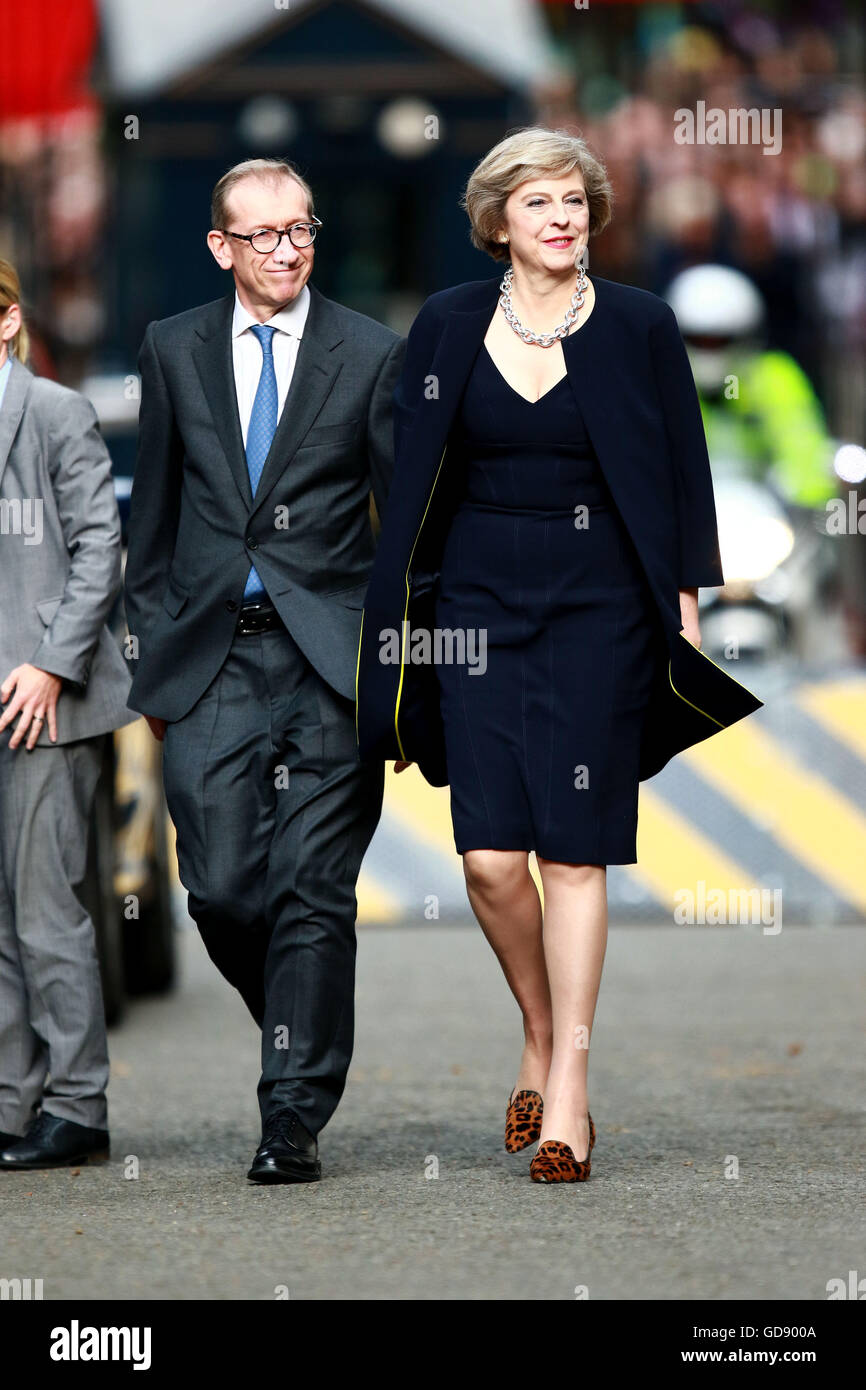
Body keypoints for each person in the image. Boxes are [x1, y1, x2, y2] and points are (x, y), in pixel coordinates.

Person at [356, 128, 763, 1184]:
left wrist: (680, 613)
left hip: (602, 610)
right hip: (476, 609)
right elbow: (406, 491)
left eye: (574, 201)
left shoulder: (638, 326)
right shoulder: (445, 324)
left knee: (572, 851)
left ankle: (568, 1096)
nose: (560, 217)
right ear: (497, 221)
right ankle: (537, 1029)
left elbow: (680, 475)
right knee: (490, 859)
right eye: (537, 202)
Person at [123, 158, 404, 1184]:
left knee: (312, 893)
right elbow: (148, 516)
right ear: (220, 246)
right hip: (207, 664)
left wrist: (405, 667)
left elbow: (402, 526)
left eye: (301, 230)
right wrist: (146, 655)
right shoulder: (172, 348)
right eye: (262, 234)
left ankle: (291, 1114)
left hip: (328, 662)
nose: (285, 250)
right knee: (226, 891)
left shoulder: (369, 355)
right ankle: (299, 1007)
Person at [0, 257, 137, 1171]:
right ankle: (12, 1104)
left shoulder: (53, 412)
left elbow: (100, 549)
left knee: (47, 911)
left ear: (6, 320)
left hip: (44, 700)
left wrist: (50, 665)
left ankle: (78, 1107)